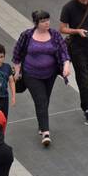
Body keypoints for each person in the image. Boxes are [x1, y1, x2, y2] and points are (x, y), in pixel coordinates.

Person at [13, 10, 72, 146]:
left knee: (45, 100)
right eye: (43, 21)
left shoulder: (54, 35)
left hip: (49, 74)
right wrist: (17, 73)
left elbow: (64, 52)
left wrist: (66, 66)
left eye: (48, 20)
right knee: (41, 100)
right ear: (36, 23)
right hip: (31, 74)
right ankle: (45, 133)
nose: (47, 23)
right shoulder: (27, 35)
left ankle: (41, 124)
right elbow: (17, 54)